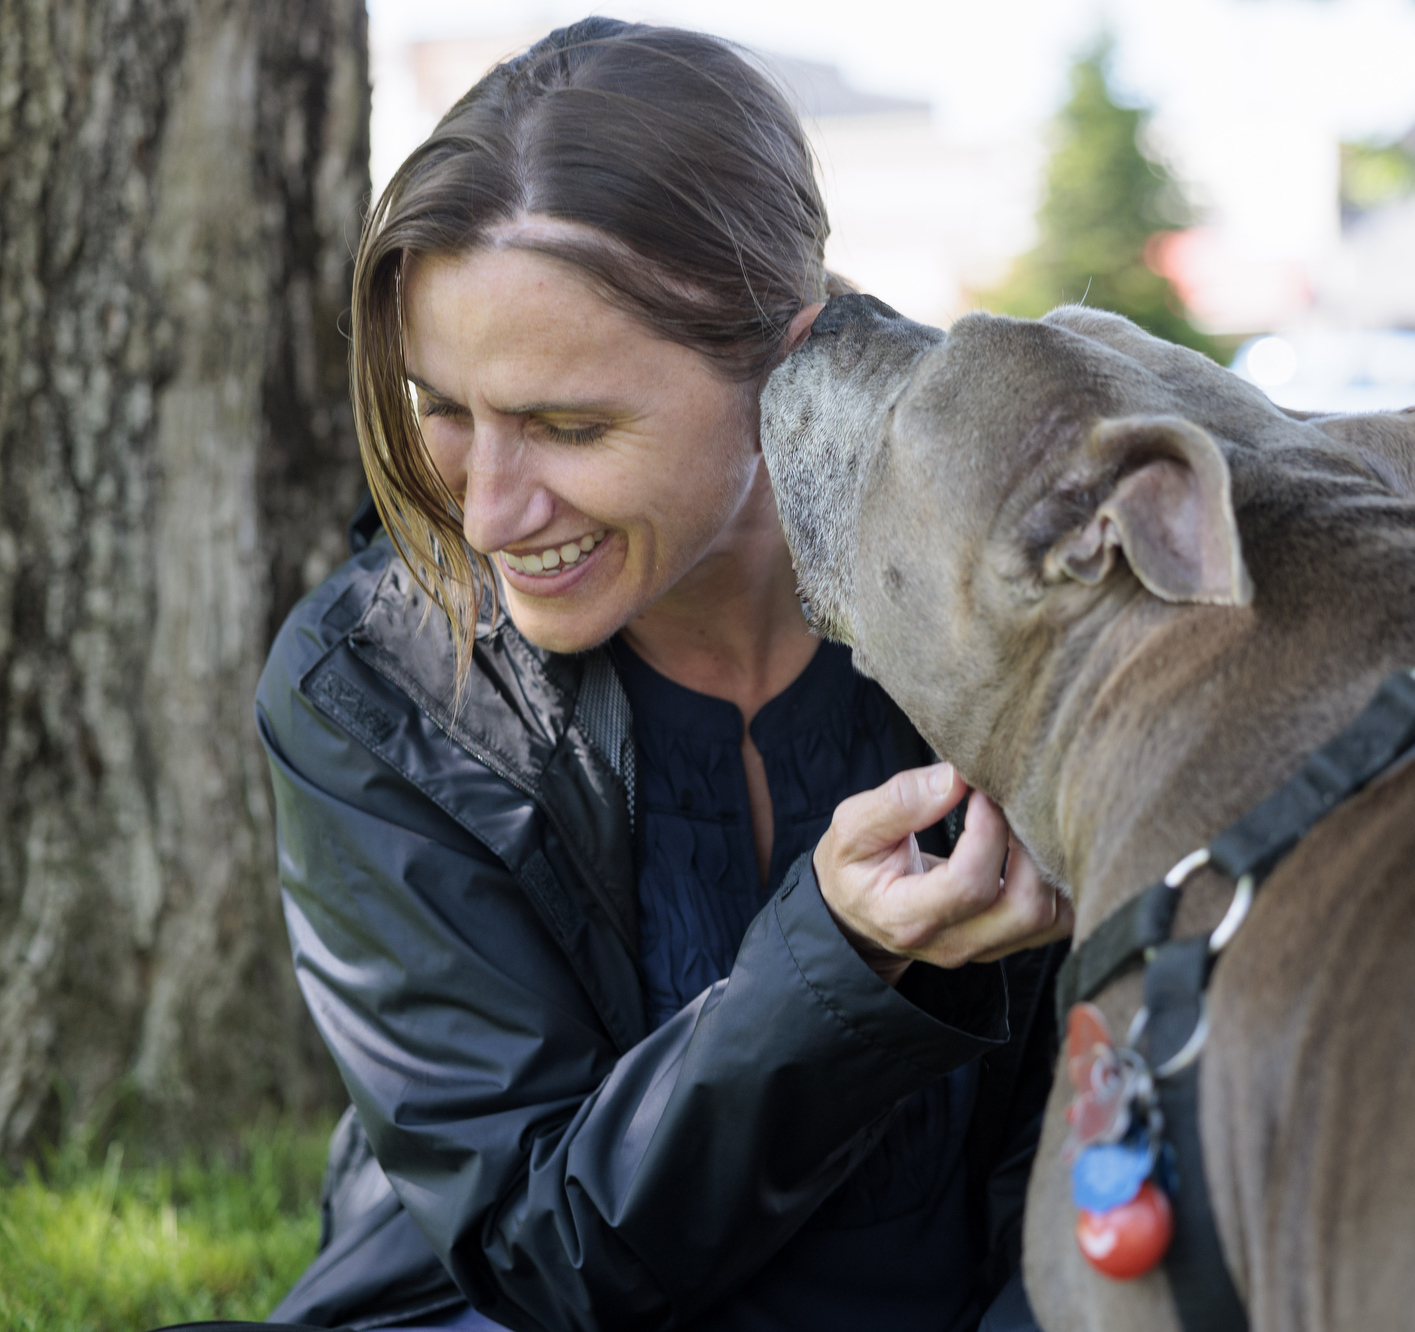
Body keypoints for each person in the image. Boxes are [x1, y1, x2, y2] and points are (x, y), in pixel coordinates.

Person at [254, 19, 1072, 1332]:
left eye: (569, 426)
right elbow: (535, 1252)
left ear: (785, 363)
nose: (488, 515)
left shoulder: (1011, 619)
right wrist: (837, 965)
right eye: (445, 410)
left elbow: (1083, 1178)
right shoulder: (373, 688)